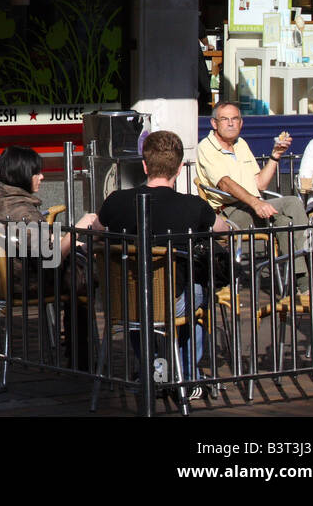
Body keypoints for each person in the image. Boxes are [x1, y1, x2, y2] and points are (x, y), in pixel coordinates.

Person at [86, 130, 232, 396]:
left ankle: (154, 370)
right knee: (199, 294)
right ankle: (187, 377)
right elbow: (223, 229)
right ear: (178, 167)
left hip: (124, 297)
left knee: (137, 306)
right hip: (172, 298)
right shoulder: (193, 206)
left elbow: (95, 229)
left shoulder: (116, 201)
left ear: (144, 165)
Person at [0, 145, 90, 369]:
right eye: (37, 172)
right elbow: (51, 259)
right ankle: (81, 358)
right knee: (83, 278)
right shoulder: (23, 212)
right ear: (23, 174)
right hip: (25, 282)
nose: (42, 176)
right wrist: (77, 232)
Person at [195, 101, 311, 294]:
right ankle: (308, 272)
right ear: (214, 123)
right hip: (229, 212)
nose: (231, 123)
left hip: (250, 204)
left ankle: (303, 277)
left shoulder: (241, 144)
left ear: (241, 123)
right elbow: (225, 183)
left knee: (289, 209)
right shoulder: (206, 147)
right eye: (225, 119)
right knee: (286, 213)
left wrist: (275, 156)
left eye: (235, 119)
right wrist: (256, 203)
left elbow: (260, 184)